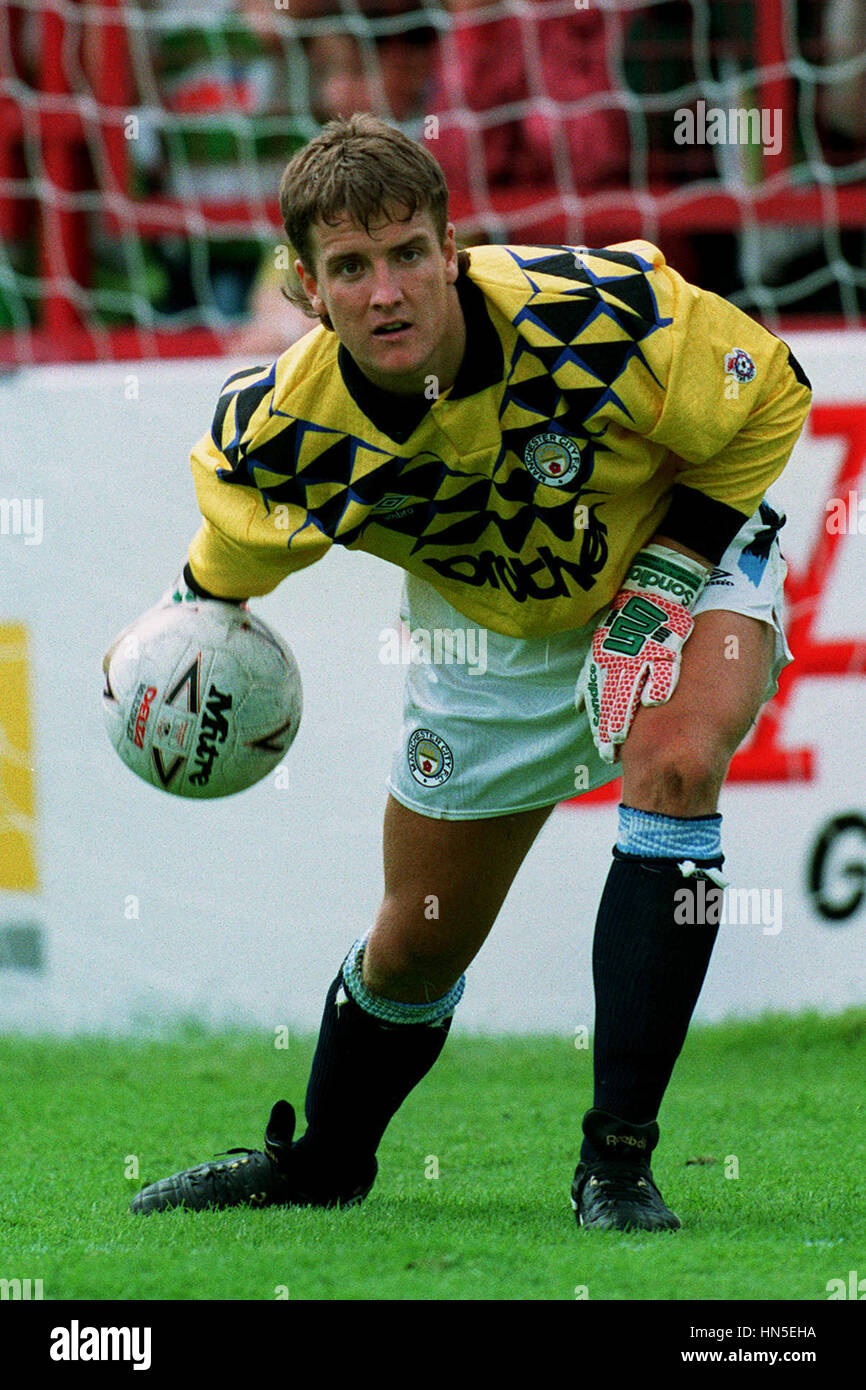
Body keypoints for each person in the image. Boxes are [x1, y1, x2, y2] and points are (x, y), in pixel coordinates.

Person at [120, 113, 811, 1232]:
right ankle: (326, 1163)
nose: (385, 291)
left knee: (676, 765)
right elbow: (218, 583)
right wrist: (172, 655)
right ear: (305, 288)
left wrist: (665, 580)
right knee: (419, 935)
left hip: (673, 561)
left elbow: (769, 392)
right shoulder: (278, 432)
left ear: (450, 250)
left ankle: (617, 1164)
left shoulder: (599, 314)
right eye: (350, 267)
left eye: (405, 254)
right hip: (485, 639)